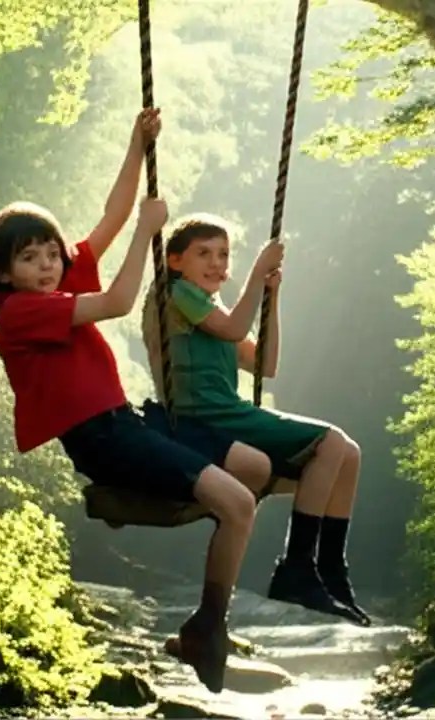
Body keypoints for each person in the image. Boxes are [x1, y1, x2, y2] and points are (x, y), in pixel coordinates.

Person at [0, 110, 269, 692]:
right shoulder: (21, 312)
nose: (46, 265)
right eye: (28, 258)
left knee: (257, 467)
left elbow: (111, 217)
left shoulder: (56, 285)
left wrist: (139, 146)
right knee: (239, 503)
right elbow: (115, 300)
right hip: (103, 439)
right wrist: (148, 232)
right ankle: (207, 628)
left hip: (129, 422)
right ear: (4, 273)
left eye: (51, 254)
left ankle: (188, 549)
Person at [141, 213, 371, 626]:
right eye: (204, 254)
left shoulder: (210, 306)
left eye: (224, 255)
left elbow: (267, 364)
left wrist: (271, 296)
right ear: (175, 261)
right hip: (203, 417)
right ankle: (297, 567)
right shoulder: (174, 294)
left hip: (229, 413)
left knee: (348, 456)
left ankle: (332, 571)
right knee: (331, 441)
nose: (217, 264)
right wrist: (256, 273)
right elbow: (232, 329)